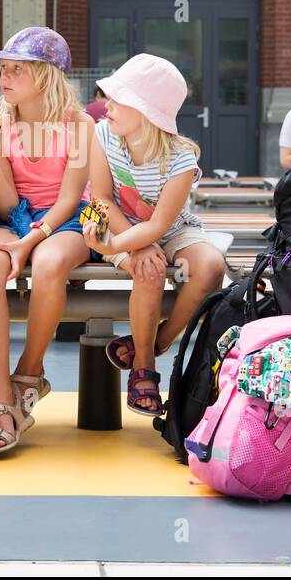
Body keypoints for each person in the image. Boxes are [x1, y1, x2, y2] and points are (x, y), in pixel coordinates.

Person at [0, 26, 95, 456]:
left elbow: (71, 197)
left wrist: (34, 239)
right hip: (15, 217)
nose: (4, 78)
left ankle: (29, 373)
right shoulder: (0, 122)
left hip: (66, 220)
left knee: (48, 261)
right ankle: (2, 400)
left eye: (16, 70)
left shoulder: (79, 124)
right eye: (3, 69)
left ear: (46, 75)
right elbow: (4, 206)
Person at [81, 54, 228, 417]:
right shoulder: (101, 135)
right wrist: (124, 244)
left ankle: (158, 342)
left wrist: (133, 244)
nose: (106, 104)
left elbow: (162, 224)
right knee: (150, 270)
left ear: (146, 111)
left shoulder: (181, 158)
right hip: (110, 225)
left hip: (168, 229)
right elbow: (99, 198)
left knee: (211, 267)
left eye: (118, 99)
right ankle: (144, 367)